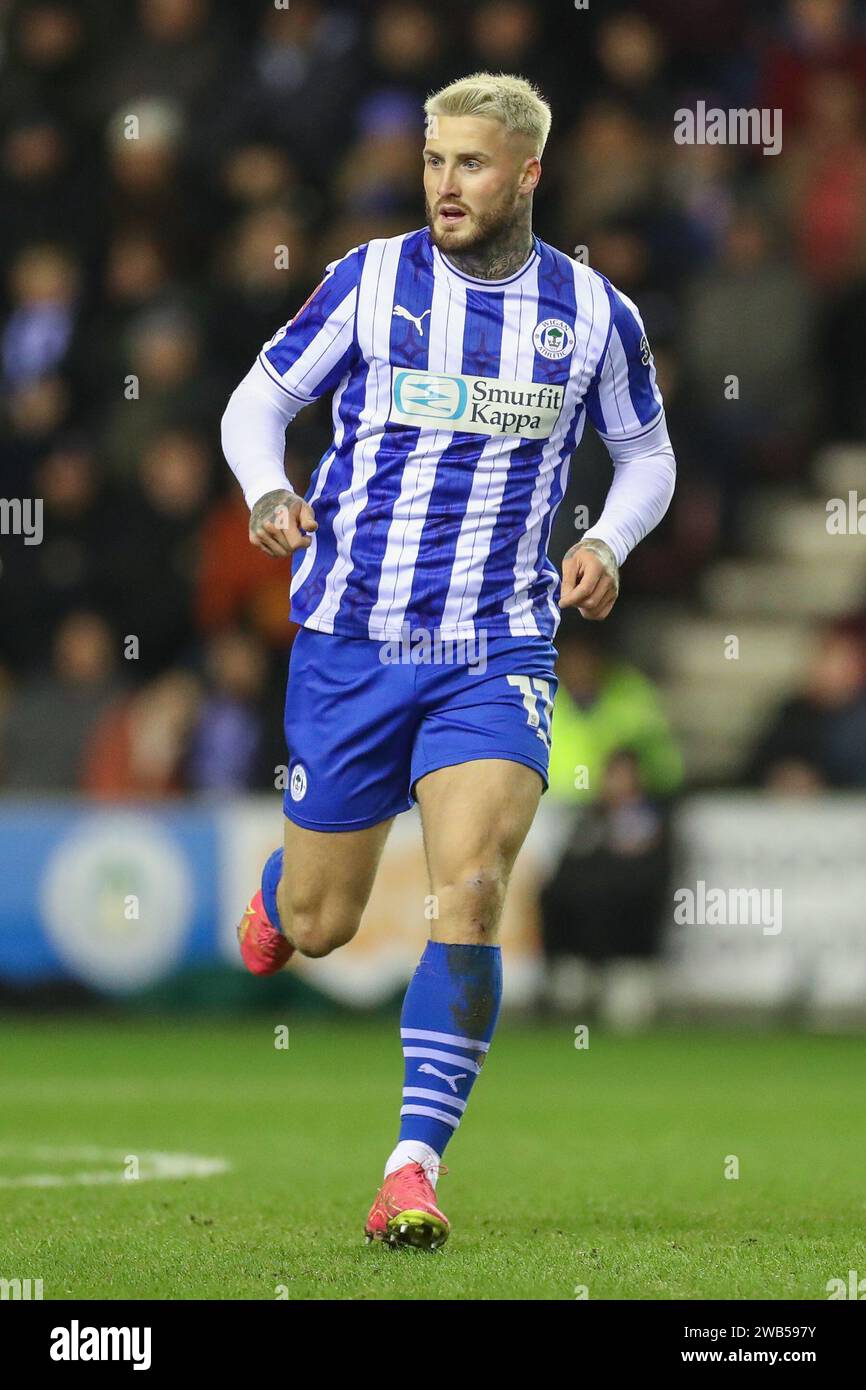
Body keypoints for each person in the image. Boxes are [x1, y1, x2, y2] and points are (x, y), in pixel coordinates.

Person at [221, 71, 676, 1251]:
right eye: (432, 161)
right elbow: (252, 407)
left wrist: (605, 538)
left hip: (499, 642)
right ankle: (280, 896)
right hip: (352, 636)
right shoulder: (369, 280)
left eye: (469, 164)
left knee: (470, 885)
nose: (444, 184)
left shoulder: (591, 314)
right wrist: (268, 488)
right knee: (323, 924)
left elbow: (646, 456)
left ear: (527, 172)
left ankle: (410, 1166)